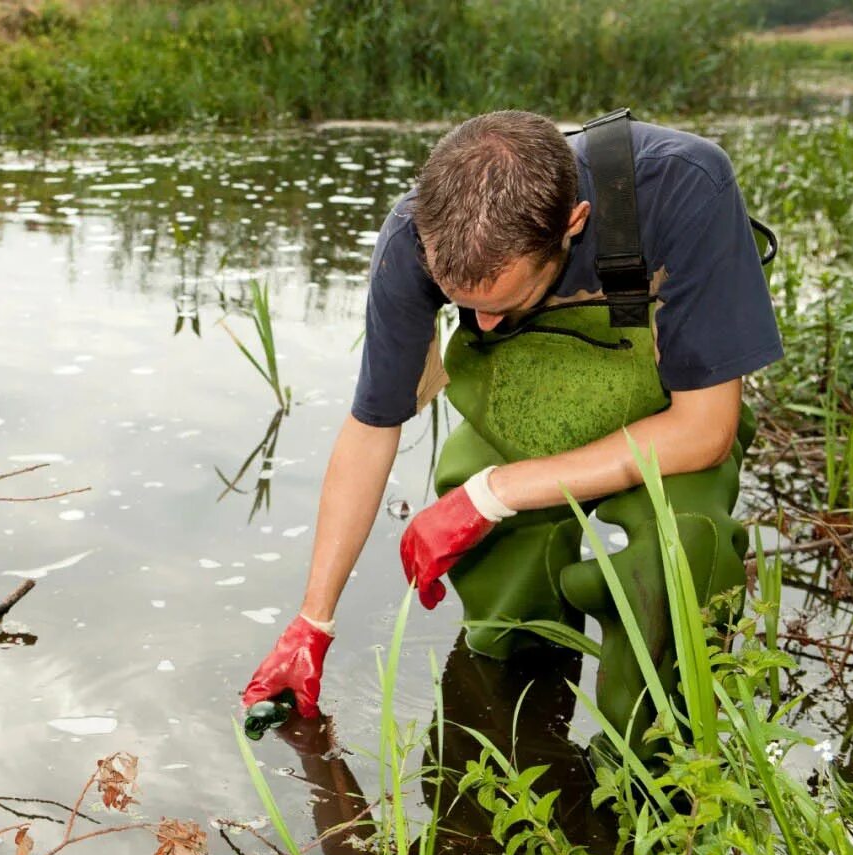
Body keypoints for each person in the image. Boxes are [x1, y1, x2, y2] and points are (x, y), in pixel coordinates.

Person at [242, 109, 781, 751]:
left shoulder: (683, 183)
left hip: (670, 421)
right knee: (504, 621)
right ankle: (516, 738)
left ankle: (655, 764)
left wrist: (491, 494)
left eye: (504, 305)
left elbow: (704, 429)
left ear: (573, 223)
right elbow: (371, 427)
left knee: (680, 554)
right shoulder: (410, 235)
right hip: (521, 409)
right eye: (465, 307)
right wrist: (313, 620)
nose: (485, 326)